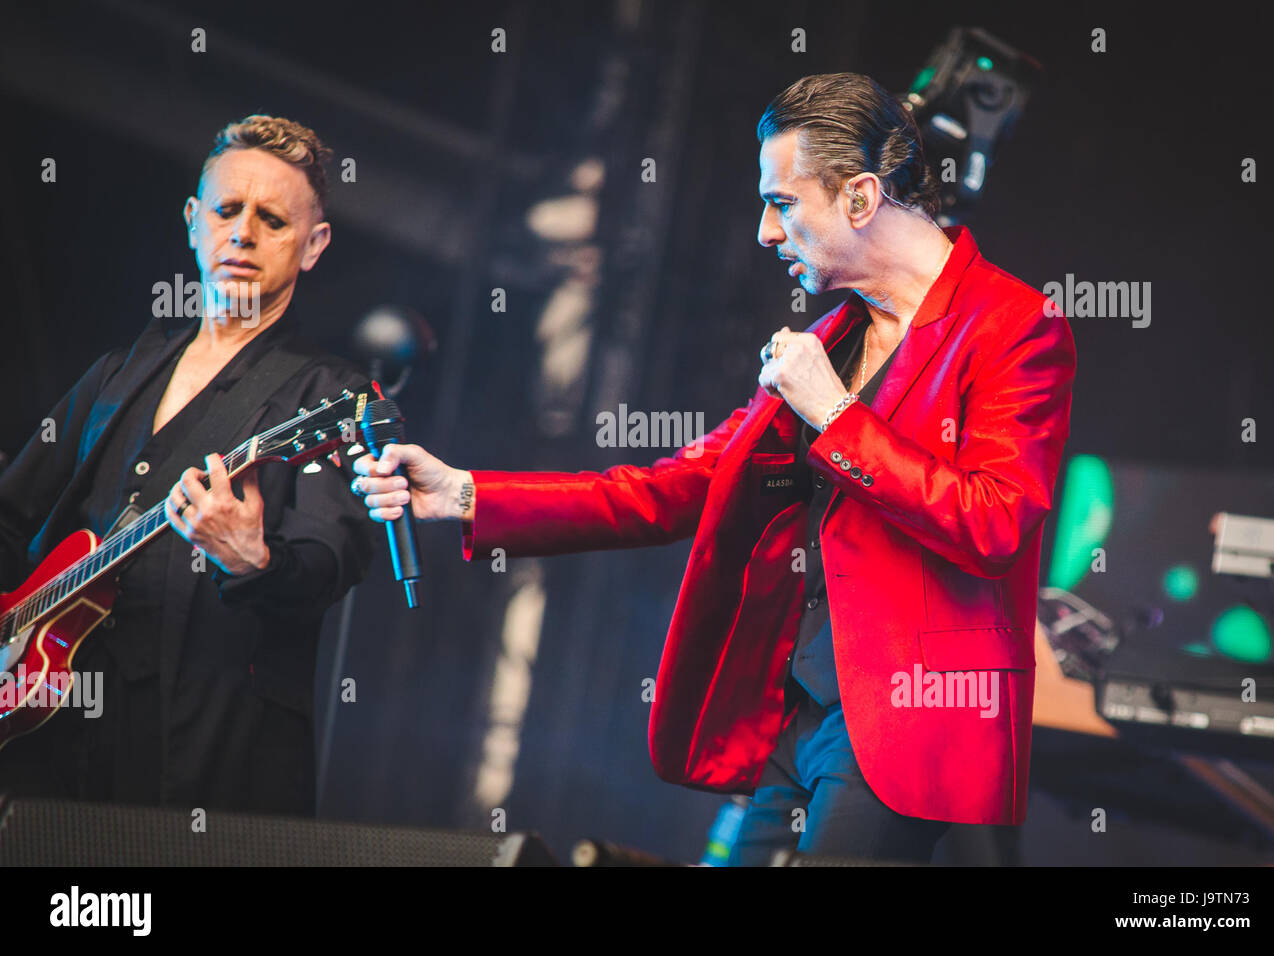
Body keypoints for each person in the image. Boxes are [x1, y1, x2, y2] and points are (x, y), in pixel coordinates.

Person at [352, 73, 1076, 863]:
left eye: (784, 202)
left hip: (907, 718)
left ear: (863, 198)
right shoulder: (834, 336)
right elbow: (674, 489)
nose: (766, 231)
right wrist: (466, 494)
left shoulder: (1012, 326)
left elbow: (994, 520)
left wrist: (834, 415)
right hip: (799, 718)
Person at [0, 115, 373, 815]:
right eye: (228, 210)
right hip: (45, 754)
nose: (244, 234)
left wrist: (254, 558)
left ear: (313, 244)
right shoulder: (120, 373)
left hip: (202, 765)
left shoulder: (330, 396)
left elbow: (332, 559)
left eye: (272, 219)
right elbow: (10, 514)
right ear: (192, 220)